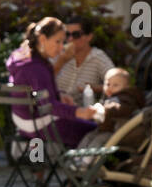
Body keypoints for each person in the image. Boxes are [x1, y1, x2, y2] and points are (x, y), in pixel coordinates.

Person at [7, 17, 98, 149]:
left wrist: (58, 94)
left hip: (21, 122)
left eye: (63, 42)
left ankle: (41, 166)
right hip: (40, 124)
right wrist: (80, 112)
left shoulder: (22, 57)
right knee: (96, 130)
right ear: (43, 39)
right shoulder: (35, 67)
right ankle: (82, 164)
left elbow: (40, 93)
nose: (62, 48)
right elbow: (49, 106)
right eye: (58, 41)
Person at [77, 68, 146, 151]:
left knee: (98, 141)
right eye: (108, 84)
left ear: (126, 87)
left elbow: (121, 108)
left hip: (117, 131)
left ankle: (86, 161)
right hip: (105, 129)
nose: (110, 87)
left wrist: (105, 109)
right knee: (88, 137)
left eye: (115, 85)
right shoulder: (110, 97)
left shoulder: (126, 98)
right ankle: (76, 158)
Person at [54, 19, 114, 104]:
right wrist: (62, 61)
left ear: (89, 37)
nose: (70, 39)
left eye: (76, 35)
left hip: (81, 111)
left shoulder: (98, 57)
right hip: (55, 107)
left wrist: (94, 88)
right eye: (67, 35)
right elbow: (43, 80)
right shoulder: (58, 52)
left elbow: (116, 81)